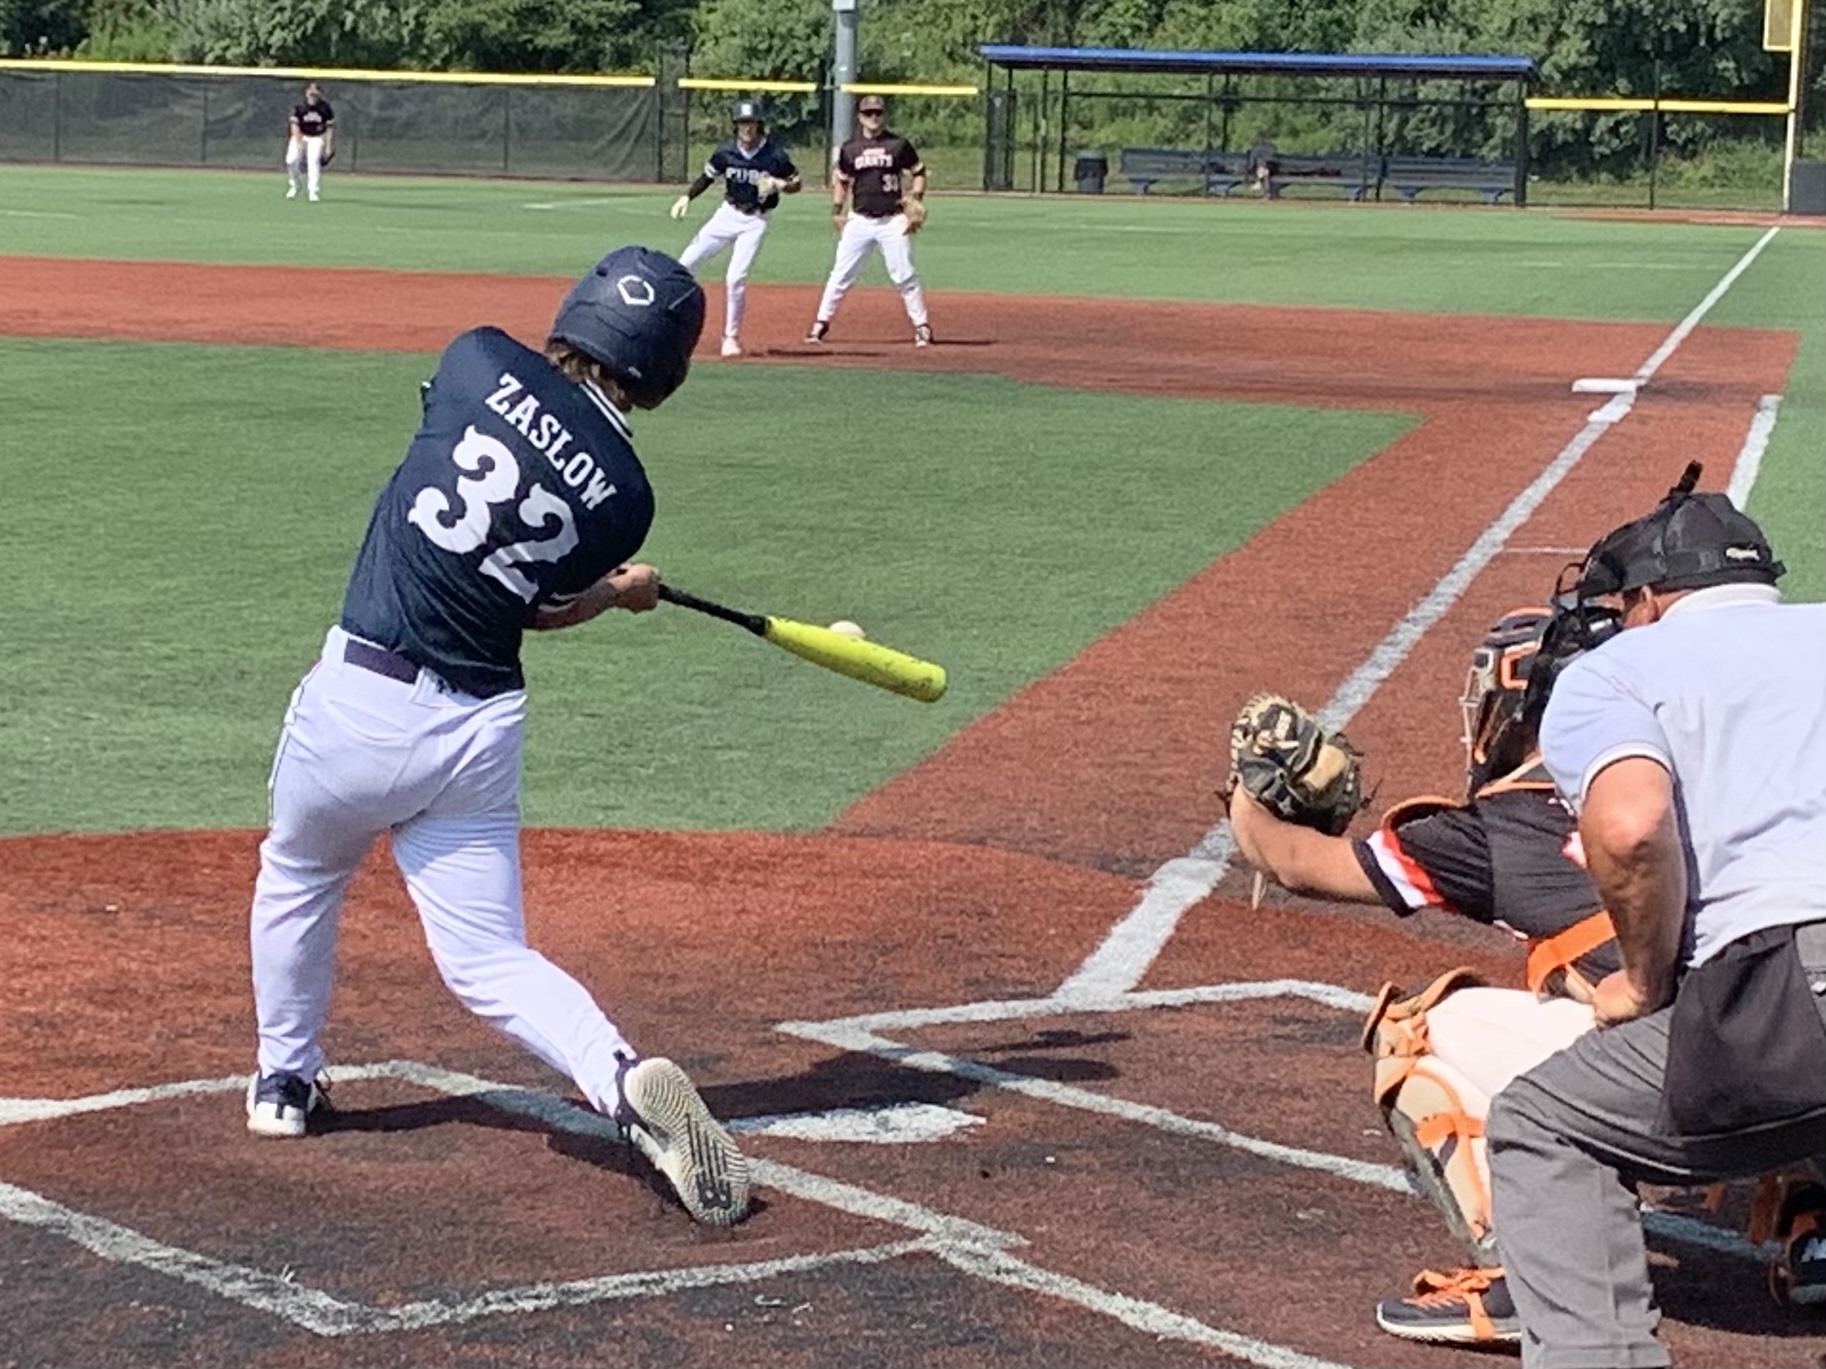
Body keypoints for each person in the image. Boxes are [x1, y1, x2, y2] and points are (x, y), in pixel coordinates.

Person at [242, 245, 751, 1229]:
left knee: (299, 874)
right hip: (476, 728)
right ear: (666, 368)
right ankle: (617, 1074)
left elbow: (456, 467)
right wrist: (617, 592)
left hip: (360, 699)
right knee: (485, 958)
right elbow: (538, 607)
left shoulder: (476, 356)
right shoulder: (626, 499)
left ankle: (283, 1082)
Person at [1487, 465, 1826, 1365]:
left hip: (1791, 986)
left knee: (1543, 1124)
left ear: (1646, 599)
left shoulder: (1616, 669)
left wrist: (1642, 982)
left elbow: (1632, 826)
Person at [1228, 607, 1619, 1347]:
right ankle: (1811, 1225)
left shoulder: (1498, 829)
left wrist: (1247, 789)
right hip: (1786, 1063)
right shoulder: (1714, 781)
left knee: (1414, 1034)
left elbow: (1292, 861)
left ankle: (1522, 1279)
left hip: (1665, 1079)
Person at [670, 99, 802, 359]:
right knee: (684, 265)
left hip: (756, 220)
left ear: (759, 125)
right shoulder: (726, 152)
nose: (747, 128)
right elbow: (708, 177)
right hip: (727, 214)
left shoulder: (774, 155)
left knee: (735, 278)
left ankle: (730, 337)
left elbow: (796, 182)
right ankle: (668, 320)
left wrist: (779, 184)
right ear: (736, 126)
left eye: (751, 123)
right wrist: (687, 196)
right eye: (742, 123)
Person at [804, 94, 933, 349]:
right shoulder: (850, 148)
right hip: (859, 220)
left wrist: (916, 197)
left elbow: (919, 172)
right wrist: (837, 210)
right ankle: (820, 324)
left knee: (904, 275)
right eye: (868, 113)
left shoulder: (898, 145)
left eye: (878, 113)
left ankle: (922, 326)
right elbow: (842, 181)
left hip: (892, 220)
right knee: (840, 274)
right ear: (859, 117)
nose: (873, 117)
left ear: (884, 115)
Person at [286, 82, 335, 203]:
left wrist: (328, 146)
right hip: (300, 135)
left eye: (315, 92)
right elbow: (294, 126)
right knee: (291, 160)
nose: (313, 94)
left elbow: (329, 128)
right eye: (311, 91)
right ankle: (295, 185)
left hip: (317, 137)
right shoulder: (299, 106)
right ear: (306, 93)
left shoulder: (325, 108)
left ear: (319, 93)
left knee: (313, 162)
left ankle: (313, 191)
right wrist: (299, 143)